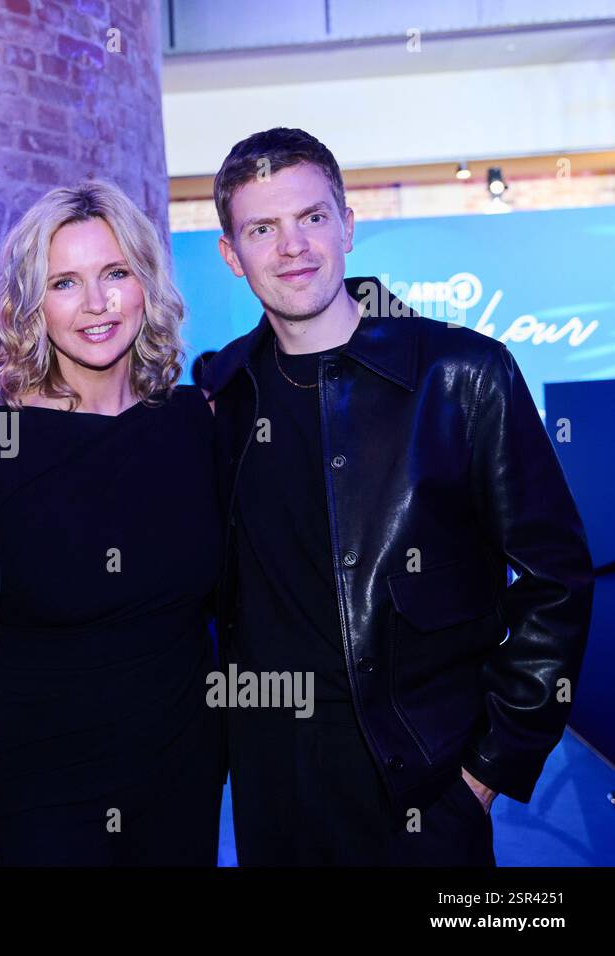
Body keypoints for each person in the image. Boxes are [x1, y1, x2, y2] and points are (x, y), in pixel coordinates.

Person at [201, 127, 594, 865]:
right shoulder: (222, 392)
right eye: (263, 228)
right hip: (273, 790)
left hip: (423, 782)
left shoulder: (462, 374)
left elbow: (556, 580)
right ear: (231, 255)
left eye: (312, 217)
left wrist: (486, 770)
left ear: (348, 226)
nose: (293, 247)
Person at [0, 180, 223, 865]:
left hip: (183, 780)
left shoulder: (191, 424)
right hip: (40, 799)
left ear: (147, 284)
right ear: (32, 306)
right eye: (64, 283)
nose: (96, 304)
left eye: (116, 273)